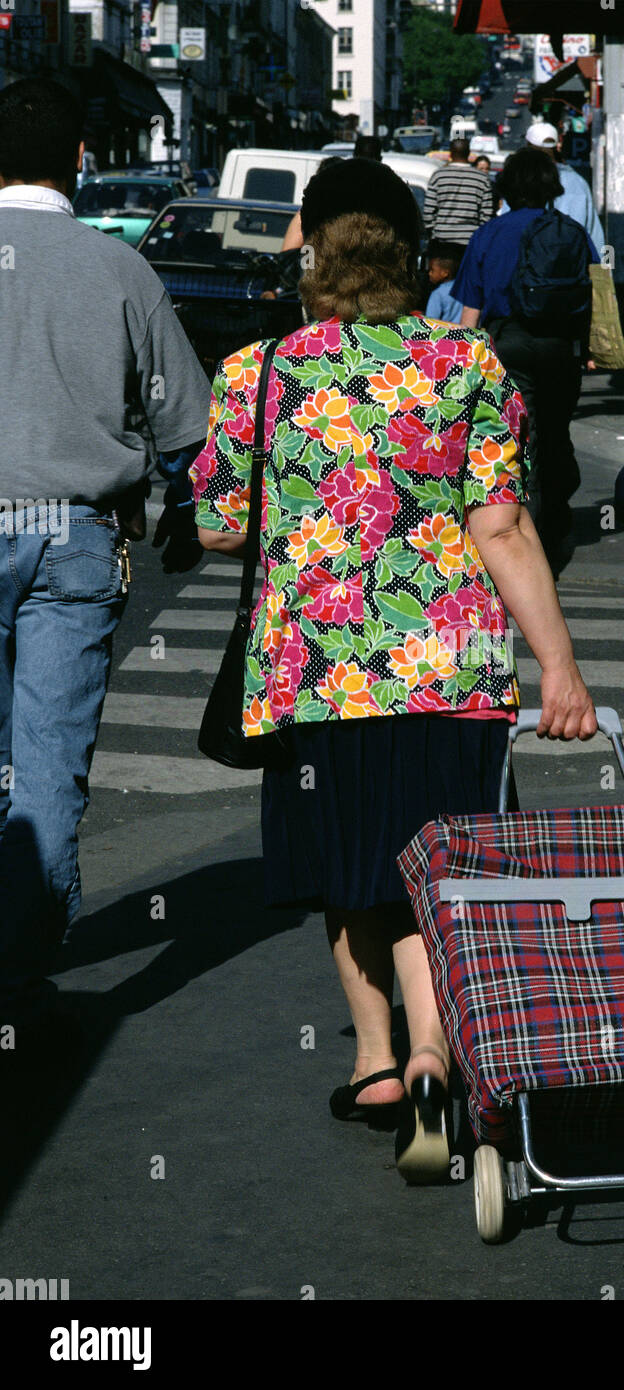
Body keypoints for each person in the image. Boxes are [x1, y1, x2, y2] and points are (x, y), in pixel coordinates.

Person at [191, 158, 596, 1182]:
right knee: (437, 869)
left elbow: (218, 525)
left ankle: (377, 1060)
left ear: (316, 264)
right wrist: (560, 669)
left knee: (349, 867)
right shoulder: (466, 363)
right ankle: (432, 1051)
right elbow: (499, 524)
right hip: (448, 670)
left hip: (312, 677)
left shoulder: (258, 374)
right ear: (413, 265)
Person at [0, 79, 210, 1047]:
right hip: (78, 533)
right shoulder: (120, 273)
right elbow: (187, 426)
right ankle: (18, 967)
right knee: (48, 762)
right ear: (80, 159)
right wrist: (181, 506)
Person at [453, 145, 598, 570]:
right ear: (550, 187)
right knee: (555, 432)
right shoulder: (570, 231)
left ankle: (521, 533)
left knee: (516, 441)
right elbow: (593, 296)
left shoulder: (488, 235)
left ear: (506, 189)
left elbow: (470, 314)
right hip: (559, 347)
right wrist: (590, 351)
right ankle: (555, 519)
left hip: (506, 347)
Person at [524, 121, 604, 250]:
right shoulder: (578, 182)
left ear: (527, 147)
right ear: (557, 147)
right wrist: (605, 269)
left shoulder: (521, 180)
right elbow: (595, 237)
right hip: (570, 265)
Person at [422, 137, 493, 265]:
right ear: (468, 154)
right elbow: (486, 216)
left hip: (442, 242)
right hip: (470, 243)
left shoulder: (438, 176)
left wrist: (434, 232)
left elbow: (428, 212)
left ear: (450, 154)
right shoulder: (482, 179)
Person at [424, 240, 462, 323]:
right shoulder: (462, 288)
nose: (429, 273)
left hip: (445, 333)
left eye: (432, 270)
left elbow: (430, 321)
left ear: (445, 273)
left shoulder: (437, 294)